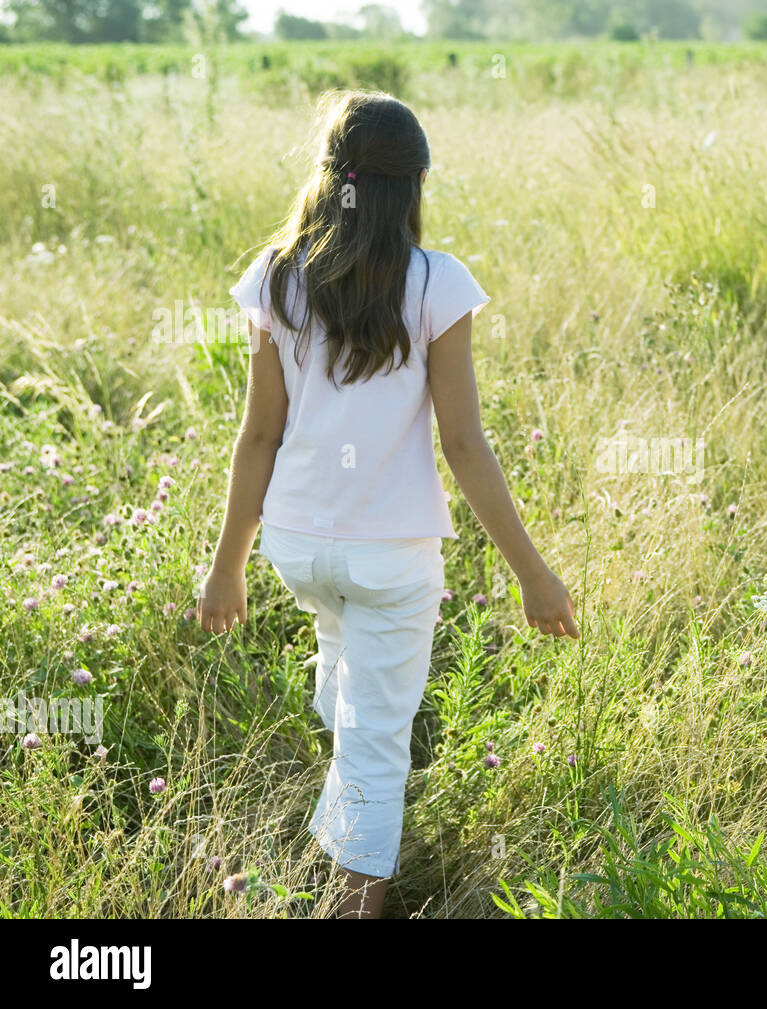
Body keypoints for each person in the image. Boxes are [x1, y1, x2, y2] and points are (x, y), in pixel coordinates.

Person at [197, 90, 579, 918]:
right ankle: (348, 908)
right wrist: (534, 575)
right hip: (390, 556)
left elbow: (258, 434)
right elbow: (464, 444)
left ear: (331, 175)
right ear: (416, 186)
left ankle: (335, 831)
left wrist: (226, 566)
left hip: (298, 546)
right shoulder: (436, 282)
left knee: (348, 695)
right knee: (373, 742)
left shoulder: (276, 277)